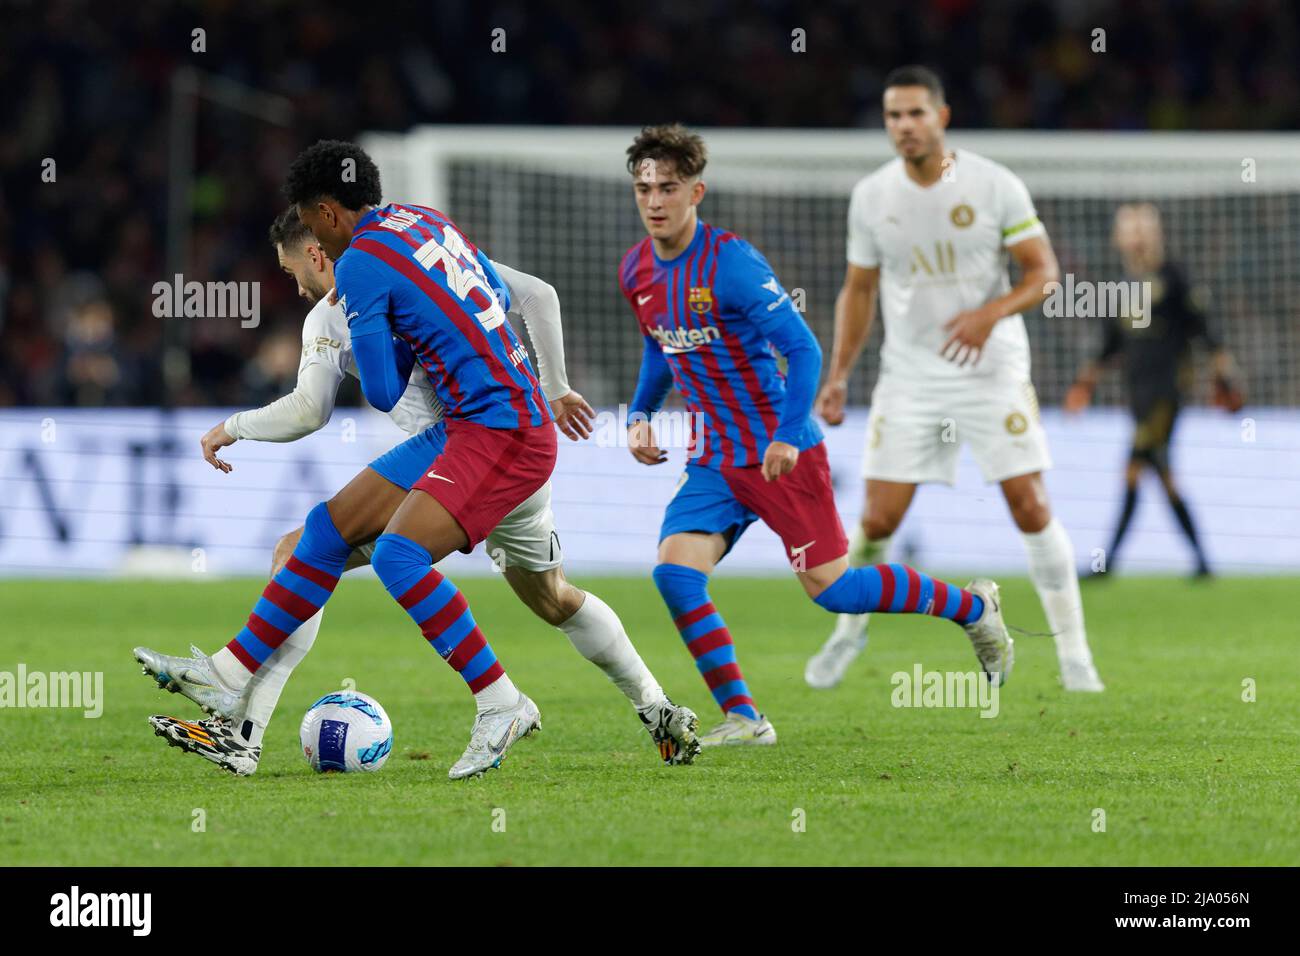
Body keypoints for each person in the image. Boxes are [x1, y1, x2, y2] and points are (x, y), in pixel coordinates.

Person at [621, 123, 1013, 748]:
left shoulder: (732, 265)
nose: (655, 201)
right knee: (674, 574)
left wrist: (784, 436)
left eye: (669, 187)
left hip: (783, 455)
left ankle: (974, 609)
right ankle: (746, 718)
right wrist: (639, 416)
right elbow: (658, 347)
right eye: (644, 189)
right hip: (716, 462)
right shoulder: (637, 270)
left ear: (697, 192)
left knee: (834, 592)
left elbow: (801, 349)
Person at [806, 65, 1103, 694]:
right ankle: (848, 633)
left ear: (942, 117)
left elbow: (1043, 272)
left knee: (1030, 504)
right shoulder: (872, 197)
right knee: (879, 520)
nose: (905, 126)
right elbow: (858, 291)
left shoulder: (994, 185)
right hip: (910, 377)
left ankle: (1075, 656)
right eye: (893, 116)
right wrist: (838, 376)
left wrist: (988, 314)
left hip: (991, 369)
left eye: (916, 113)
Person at [1065, 202, 1241, 578]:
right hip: (1138, 397)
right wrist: (1085, 381)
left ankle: (1107, 563)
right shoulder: (1122, 287)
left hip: (1168, 392)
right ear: (1119, 239)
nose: (1138, 236)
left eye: (1144, 228)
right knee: (1164, 477)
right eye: (1131, 229)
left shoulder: (1175, 276)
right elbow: (1110, 342)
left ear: (1156, 233)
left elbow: (1205, 327)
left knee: (1132, 470)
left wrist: (1225, 374)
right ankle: (1203, 564)